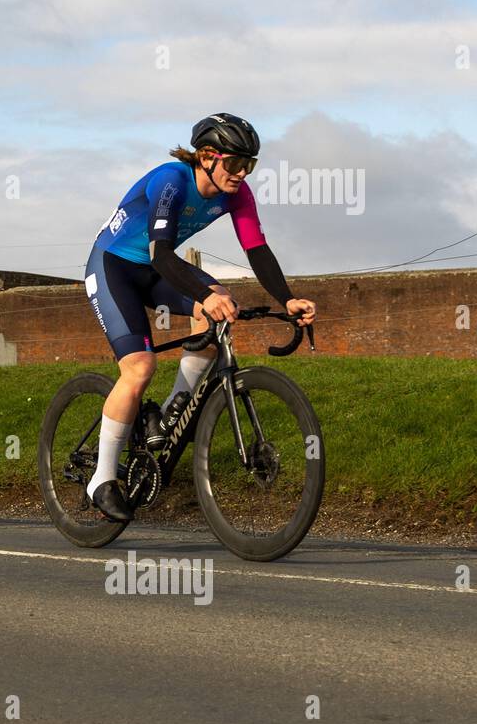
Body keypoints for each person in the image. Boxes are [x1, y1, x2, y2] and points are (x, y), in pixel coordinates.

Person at [83, 113, 317, 523]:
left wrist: (289, 297)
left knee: (221, 305)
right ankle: (101, 480)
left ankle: (174, 407)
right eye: (234, 163)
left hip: (158, 270)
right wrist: (203, 294)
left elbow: (257, 251)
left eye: (250, 165)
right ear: (207, 156)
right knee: (139, 367)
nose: (241, 173)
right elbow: (161, 253)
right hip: (115, 266)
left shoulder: (237, 193)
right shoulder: (171, 180)